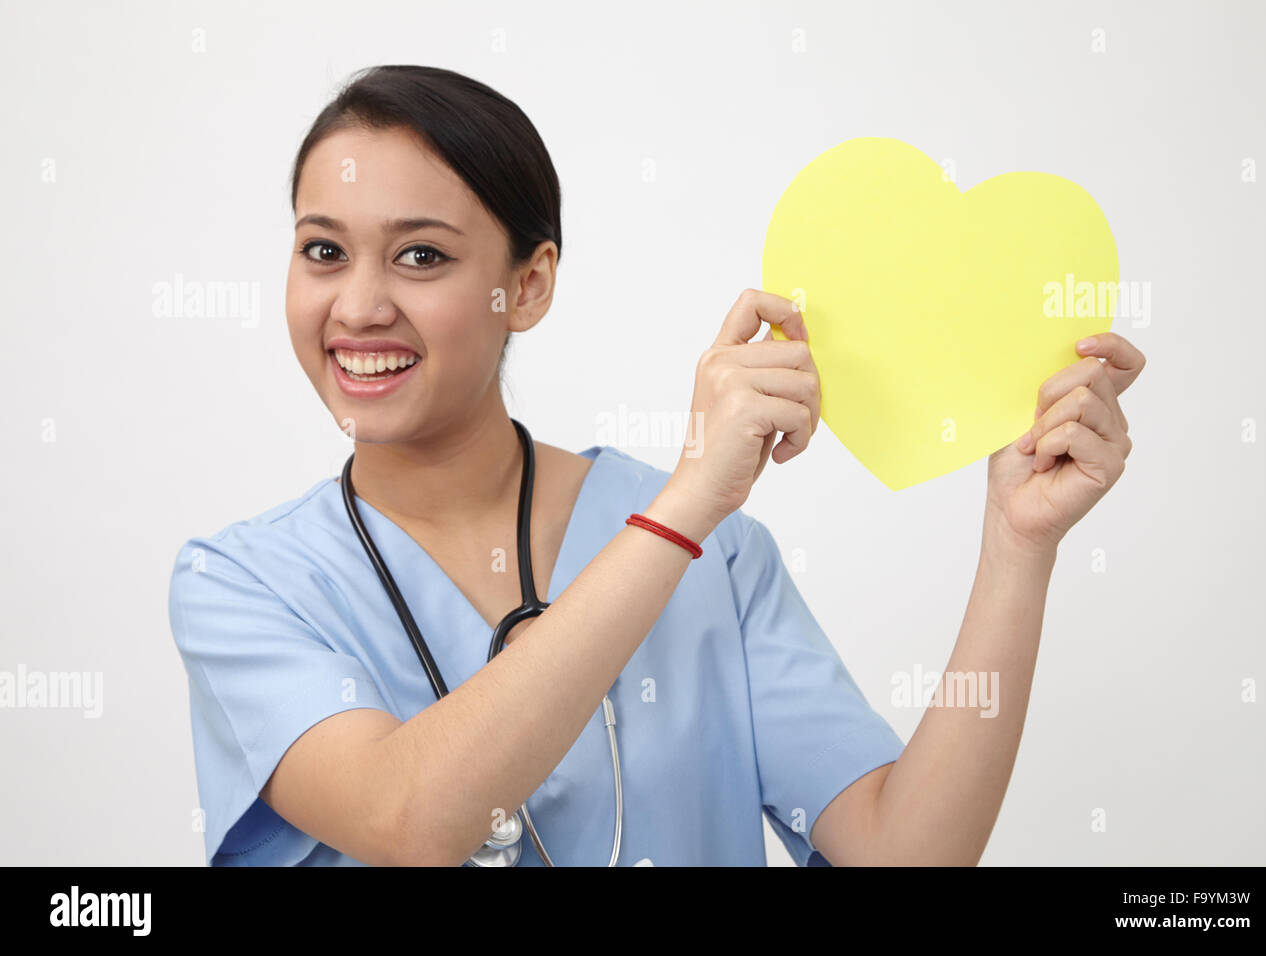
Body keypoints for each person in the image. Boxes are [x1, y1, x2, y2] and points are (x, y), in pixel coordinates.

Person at [167, 64, 1145, 867]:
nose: (359, 305)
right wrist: (685, 504)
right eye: (323, 250)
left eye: (421, 257)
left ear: (530, 283)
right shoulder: (242, 583)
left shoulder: (717, 558)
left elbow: (903, 853)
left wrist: (1018, 546)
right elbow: (409, 818)